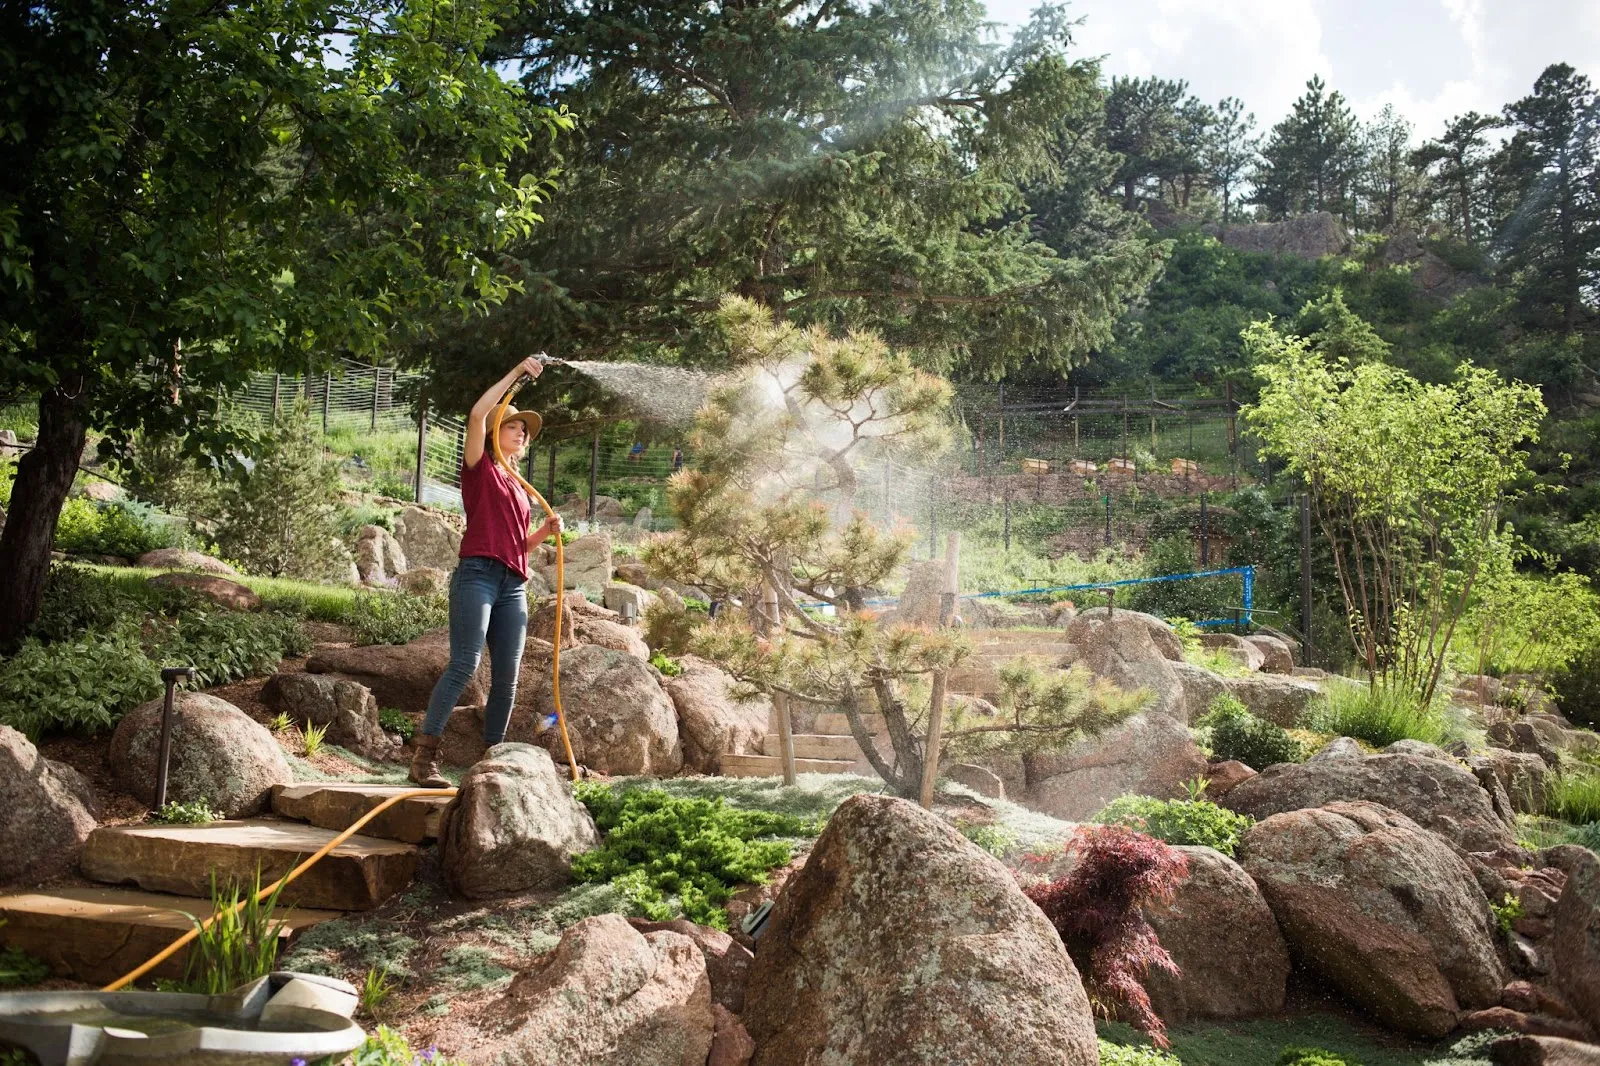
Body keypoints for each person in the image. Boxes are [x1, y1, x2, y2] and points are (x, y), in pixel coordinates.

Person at [409, 357, 563, 788]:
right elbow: (477, 413)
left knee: (508, 678)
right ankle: (424, 760)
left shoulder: (519, 486)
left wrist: (543, 534)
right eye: (514, 425)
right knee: (465, 663)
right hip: (476, 575)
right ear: (497, 431)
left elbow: (516, 544)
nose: (522, 432)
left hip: (513, 584)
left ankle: (491, 761)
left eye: (525, 430)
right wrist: (517, 372)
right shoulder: (480, 468)